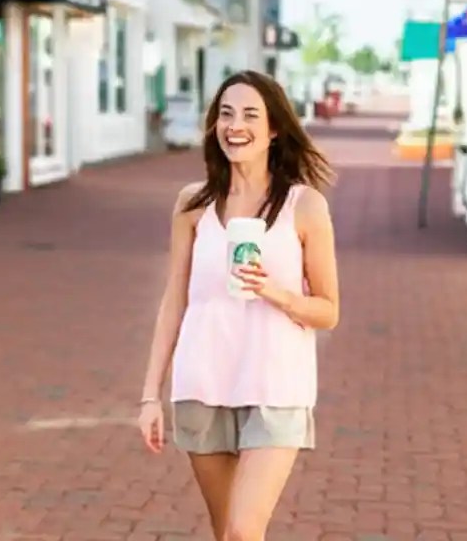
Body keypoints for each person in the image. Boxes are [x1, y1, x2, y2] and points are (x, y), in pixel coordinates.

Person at [137, 70, 341, 541]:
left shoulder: (303, 206)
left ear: (273, 130)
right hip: (203, 381)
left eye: (250, 114)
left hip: (275, 386)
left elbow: (329, 310)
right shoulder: (192, 204)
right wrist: (151, 394)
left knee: (243, 532)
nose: (235, 125)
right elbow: (175, 300)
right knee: (224, 531)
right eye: (226, 114)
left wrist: (277, 292)